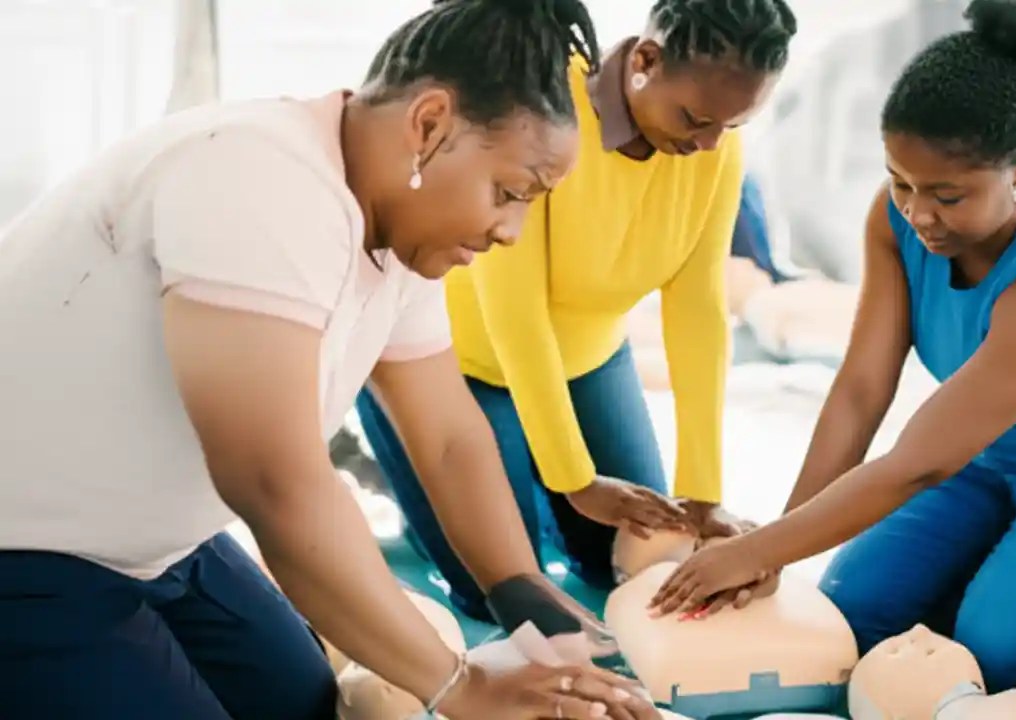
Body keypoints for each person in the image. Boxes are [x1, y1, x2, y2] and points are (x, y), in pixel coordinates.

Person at [0, 1, 661, 719]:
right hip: (29, 550)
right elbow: (275, 485)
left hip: (163, 548)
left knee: (306, 706)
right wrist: (458, 685)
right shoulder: (259, 176)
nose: (511, 229)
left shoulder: (400, 231)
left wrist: (518, 586)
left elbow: (446, 437)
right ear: (430, 123)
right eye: (509, 193)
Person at [648, 0, 1016, 695]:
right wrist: (775, 550)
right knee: (852, 613)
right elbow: (860, 389)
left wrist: (760, 548)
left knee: (1000, 652)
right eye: (901, 182)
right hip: (986, 457)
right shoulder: (896, 216)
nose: (919, 213)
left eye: (947, 195)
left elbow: (918, 465)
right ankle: (991, 566)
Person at [356, 0, 798, 621]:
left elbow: (698, 307)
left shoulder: (713, 143)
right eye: (696, 119)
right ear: (644, 60)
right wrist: (574, 479)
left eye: (730, 125)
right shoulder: (544, 106)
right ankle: (381, 445)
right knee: (500, 591)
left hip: (590, 359)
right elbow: (516, 313)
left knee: (636, 555)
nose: (708, 144)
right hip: (457, 364)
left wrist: (702, 494)